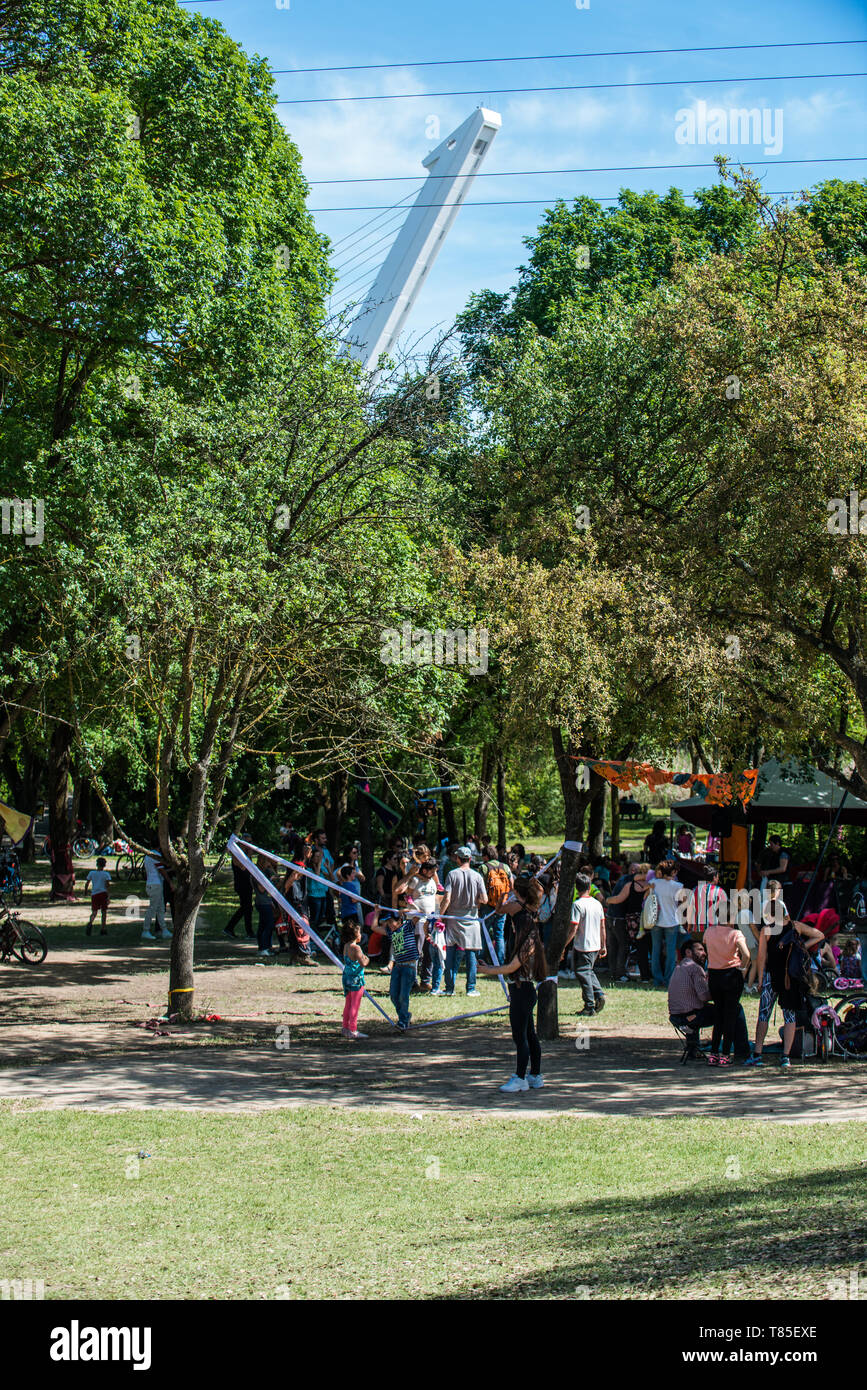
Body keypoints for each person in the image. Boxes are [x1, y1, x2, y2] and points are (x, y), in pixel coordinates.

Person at [478, 875, 548, 1093]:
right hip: (523, 989)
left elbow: (512, 967)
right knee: (529, 1034)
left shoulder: (529, 935)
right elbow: (500, 910)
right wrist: (503, 896)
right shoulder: (522, 913)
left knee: (521, 1036)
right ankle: (535, 1075)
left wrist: (487, 970)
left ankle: (520, 1078)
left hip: (522, 990)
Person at [745, 904, 824, 1067]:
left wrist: (760, 980)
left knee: (763, 1014)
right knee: (789, 1016)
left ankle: (757, 1054)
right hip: (791, 978)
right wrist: (802, 947)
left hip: (771, 977)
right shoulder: (796, 926)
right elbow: (819, 935)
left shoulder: (766, 931)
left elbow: (761, 958)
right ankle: (786, 1056)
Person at [439, 845, 488, 997]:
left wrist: (440, 915)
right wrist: (476, 903)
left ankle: (449, 988)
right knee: (471, 955)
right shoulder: (477, 876)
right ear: (471, 859)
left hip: (454, 918)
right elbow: (485, 899)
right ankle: (471, 988)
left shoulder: (452, 875)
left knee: (451, 955)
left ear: (458, 858)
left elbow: (447, 898)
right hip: (471, 918)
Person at [704, 913, 751, 1066]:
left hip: (714, 976)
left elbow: (705, 945)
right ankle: (725, 1054)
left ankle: (714, 1053)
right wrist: (742, 968)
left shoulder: (709, 932)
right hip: (731, 974)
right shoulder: (736, 934)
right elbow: (746, 954)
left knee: (719, 1014)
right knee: (729, 1016)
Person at [605, 862, 652, 981]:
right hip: (646, 920)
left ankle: (616, 973)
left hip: (632, 921)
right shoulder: (651, 885)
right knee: (643, 948)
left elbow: (619, 899)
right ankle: (646, 975)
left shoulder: (629, 884)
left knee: (621, 946)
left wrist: (608, 900)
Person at [569, 872, 607, 1016]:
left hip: (583, 945)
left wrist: (566, 944)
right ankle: (599, 994)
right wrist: (603, 945)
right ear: (590, 887)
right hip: (595, 944)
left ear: (576, 888)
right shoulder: (597, 904)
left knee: (582, 972)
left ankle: (590, 1005)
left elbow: (574, 927)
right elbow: (602, 926)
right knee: (588, 971)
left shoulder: (577, 905)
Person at [649, 860, 687, 988]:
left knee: (656, 950)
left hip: (656, 920)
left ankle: (657, 979)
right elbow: (684, 902)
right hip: (672, 921)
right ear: (674, 872)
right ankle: (668, 978)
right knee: (671, 952)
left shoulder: (653, 883)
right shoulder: (678, 886)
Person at [387, 894, 419, 1031]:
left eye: (391, 922)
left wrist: (408, 909)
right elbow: (374, 927)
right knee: (394, 995)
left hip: (409, 967)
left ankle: (403, 1020)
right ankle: (405, 1016)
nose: (389, 925)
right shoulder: (391, 933)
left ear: (399, 920)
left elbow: (419, 914)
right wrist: (376, 912)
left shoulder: (408, 927)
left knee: (403, 995)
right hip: (398, 967)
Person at [479, 845, 513, 966]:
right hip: (502, 905)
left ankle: (482, 959)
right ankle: (500, 961)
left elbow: (481, 888)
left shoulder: (483, 868)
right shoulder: (505, 867)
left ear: (486, 856)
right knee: (499, 934)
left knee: (484, 932)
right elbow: (512, 886)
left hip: (487, 905)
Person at [341, 922, 368, 1040]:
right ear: (356, 935)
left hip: (346, 978)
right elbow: (363, 963)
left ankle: (345, 1027)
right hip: (356, 980)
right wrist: (367, 959)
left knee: (348, 1003)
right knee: (355, 1005)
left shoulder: (346, 946)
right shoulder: (356, 948)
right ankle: (353, 1029)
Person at [141, 850, 171, 941]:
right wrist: (170, 882)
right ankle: (146, 930)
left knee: (160, 908)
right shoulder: (156, 855)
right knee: (153, 908)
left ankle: (164, 930)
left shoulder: (147, 855)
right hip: (155, 884)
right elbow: (161, 870)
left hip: (153, 883)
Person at [224, 858, 254, 939]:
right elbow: (243, 867)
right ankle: (248, 932)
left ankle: (230, 928)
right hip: (242, 885)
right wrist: (248, 854)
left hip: (247, 885)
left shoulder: (244, 855)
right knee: (246, 907)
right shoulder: (237, 855)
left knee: (247, 908)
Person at [84, 857, 112, 936]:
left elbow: (87, 883)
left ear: (97, 864)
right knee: (104, 912)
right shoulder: (106, 874)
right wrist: (108, 896)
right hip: (103, 893)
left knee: (94, 911)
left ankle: (90, 923)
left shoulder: (92, 873)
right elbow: (107, 886)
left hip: (94, 894)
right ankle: (103, 928)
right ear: (104, 865)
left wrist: (85, 892)